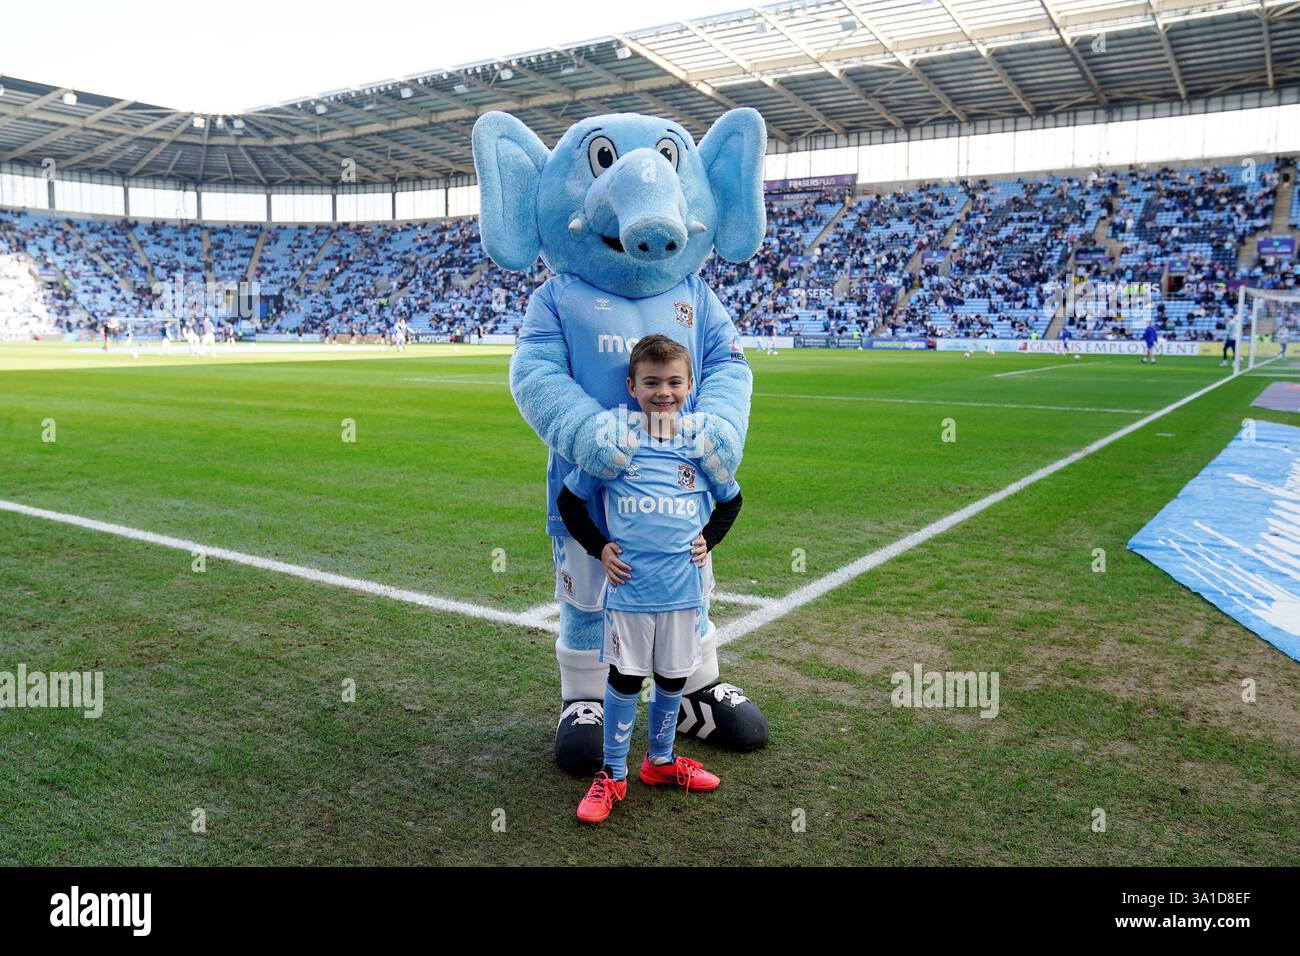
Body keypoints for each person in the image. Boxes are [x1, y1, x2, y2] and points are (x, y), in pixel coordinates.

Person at [557, 336, 743, 824]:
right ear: (632, 387)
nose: (664, 391)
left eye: (674, 381)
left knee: (673, 679)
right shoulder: (617, 444)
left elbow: (732, 499)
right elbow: (571, 501)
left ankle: (659, 762)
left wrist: (710, 538)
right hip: (631, 593)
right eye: (652, 382)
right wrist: (599, 547)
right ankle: (613, 774)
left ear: (690, 384)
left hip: (683, 591)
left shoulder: (702, 446)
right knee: (625, 678)